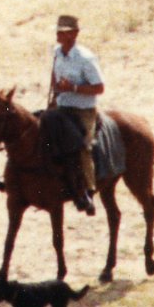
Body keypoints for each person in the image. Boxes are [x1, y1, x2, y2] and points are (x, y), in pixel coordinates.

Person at [48, 13, 104, 216]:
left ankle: (87, 190)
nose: (58, 35)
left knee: (82, 146)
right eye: (57, 31)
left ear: (74, 34)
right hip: (62, 106)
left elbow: (99, 87)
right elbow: (55, 77)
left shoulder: (85, 58)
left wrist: (72, 87)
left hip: (83, 110)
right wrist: (57, 90)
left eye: (63, 32)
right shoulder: (56, 52)